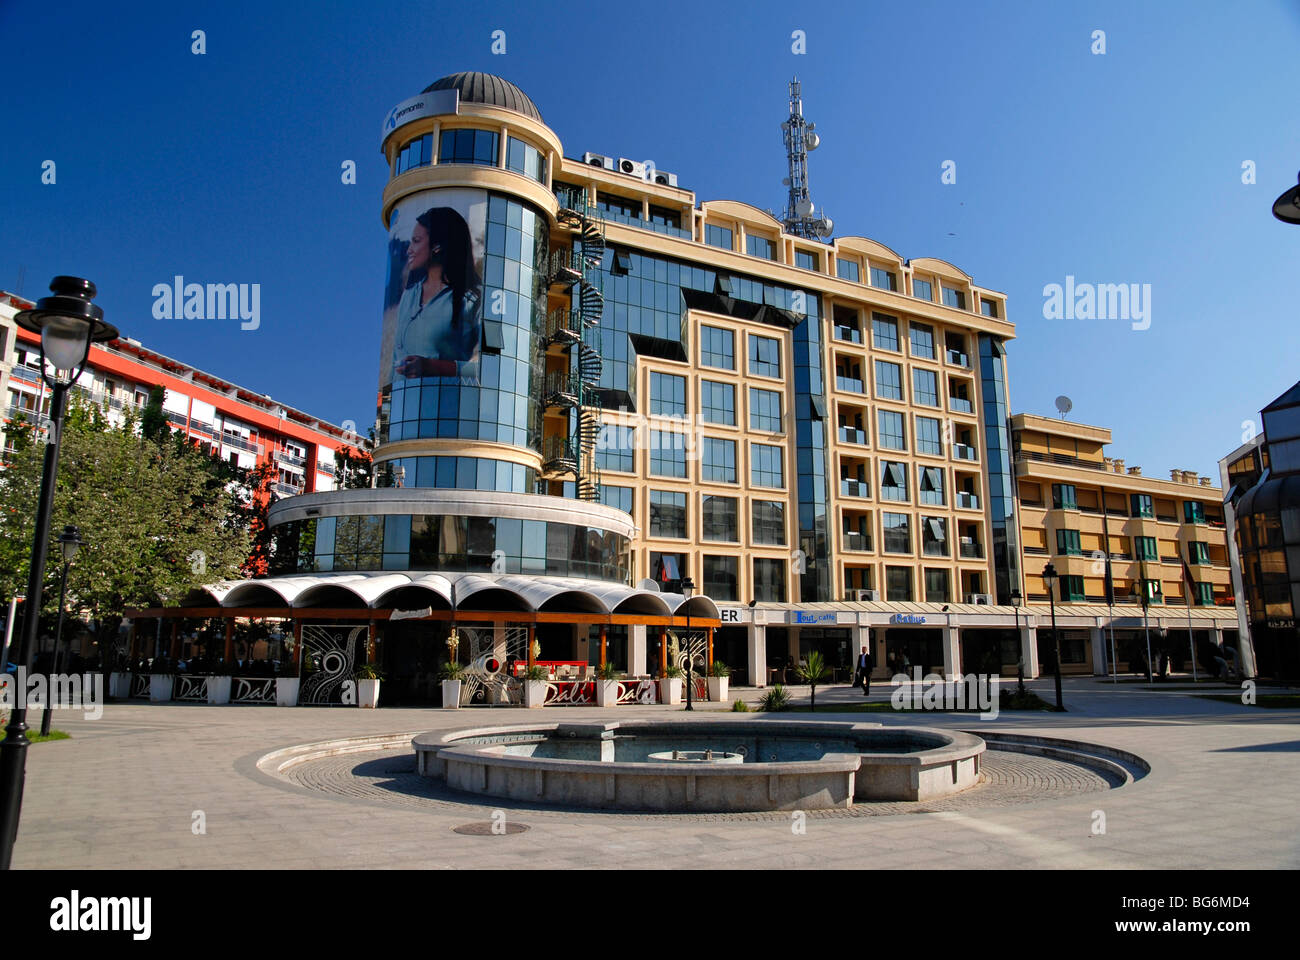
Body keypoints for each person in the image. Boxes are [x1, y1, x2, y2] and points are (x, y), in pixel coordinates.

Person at [392, 207, 482, 381]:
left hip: (448, 404)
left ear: (437, 247)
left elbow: (495, 368)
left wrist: (433, 366)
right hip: (405, 404)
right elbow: (395, 362)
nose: (408, 250)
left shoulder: (474, 298)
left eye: (416, 241)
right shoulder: (410, 294)